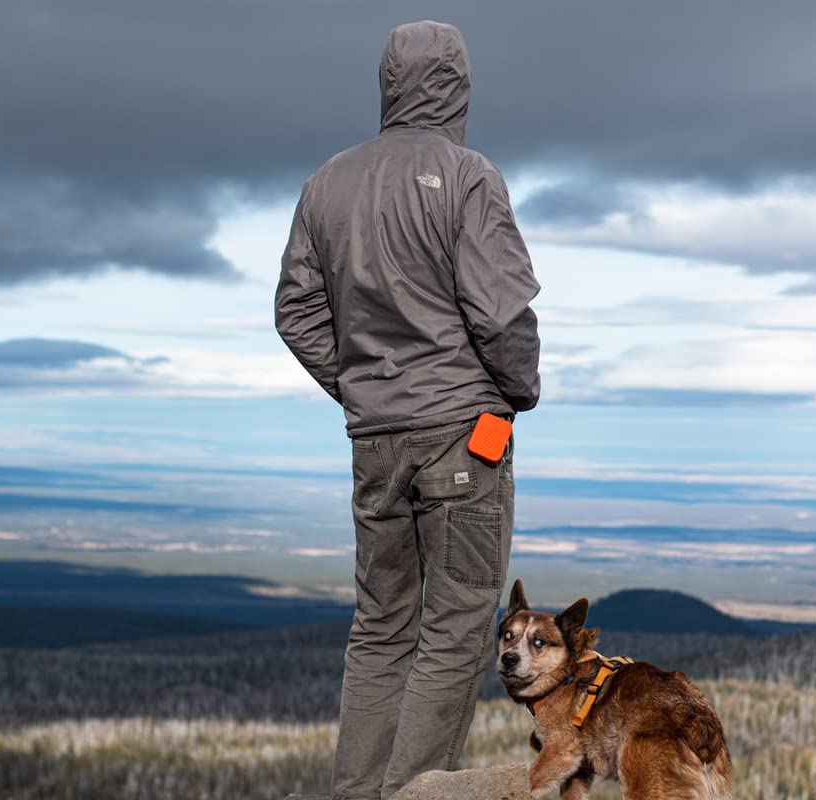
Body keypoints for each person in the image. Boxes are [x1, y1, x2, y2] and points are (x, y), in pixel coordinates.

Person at [273, 18, 541, 800]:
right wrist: (517, 389)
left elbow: (297, 312)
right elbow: (499, 317)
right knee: (457, 628)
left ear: (389, 85)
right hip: (465, 437)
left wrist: (361, 385)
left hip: (375, 441)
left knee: (382, 626)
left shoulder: (327, 182)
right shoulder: (468, 176)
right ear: (457, 87)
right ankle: (410, 794)